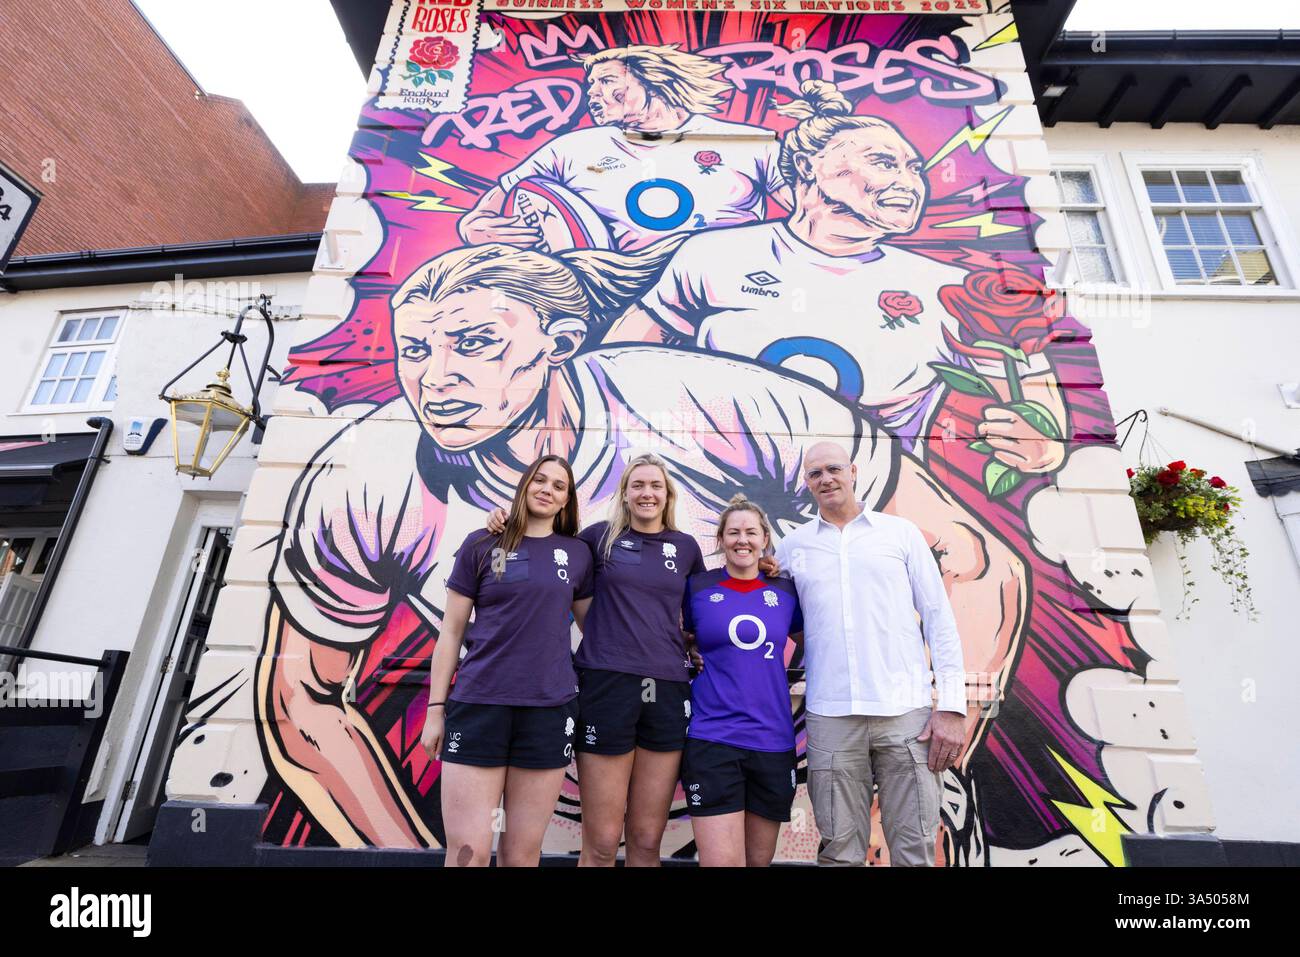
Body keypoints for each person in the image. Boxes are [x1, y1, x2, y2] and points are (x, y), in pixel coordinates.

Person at [259, 239, 1022, 850]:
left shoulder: (706, 399)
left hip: (759, 746)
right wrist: (395, 838)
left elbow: (975, 560)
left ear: (557, 340)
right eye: (414, 350)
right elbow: (303, 698)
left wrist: (953, 716)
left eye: (474, 342)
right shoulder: (362, 481)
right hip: (559, 740)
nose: (436, 376)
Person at [609, 79, 1066, 466]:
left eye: (915, 170)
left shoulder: (941, 285)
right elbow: (615, 362)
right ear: (811, 165)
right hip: (721, 509)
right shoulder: (713, 255)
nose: (909, 184)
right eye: (885, 163)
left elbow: (1032, 385)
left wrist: (1045, 443)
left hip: (879, 511)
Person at [485, 453, 707, 867]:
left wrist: (764, 572)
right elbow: (542, 541)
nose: (647, 493)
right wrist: (503, 520)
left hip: (668, 689)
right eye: (637, 485)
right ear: (624, 494)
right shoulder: (595, 539)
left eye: (655, 485)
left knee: (644, 839)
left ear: (668, 494)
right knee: (603, 842)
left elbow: (703, 615)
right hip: (606, 686)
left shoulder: (686, 548)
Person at [775, 440, 967, 867]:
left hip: (907, 716)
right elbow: (767, 614)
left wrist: (952, 706)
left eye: (833, 469)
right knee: (840, 850)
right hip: (831, 717)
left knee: (914, 849)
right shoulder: (793, 547)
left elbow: (939, 619)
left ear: (853, 472)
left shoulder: (900, 534)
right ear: (807, 484)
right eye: (815, 474)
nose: (825, 479)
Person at [419, 455, 594, 866]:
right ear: (524, 486)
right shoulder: (482, 544)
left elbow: (598, 630)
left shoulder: (577, 554)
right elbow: (451, 632)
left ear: (567, 500)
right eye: (540, 480)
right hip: (480, 705)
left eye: (559, 486)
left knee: (521, 854)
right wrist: (435, 709)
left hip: (548, 711)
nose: (547, 490)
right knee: (469, 852)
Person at [458, 44, 789, 252]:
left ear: (653, 81)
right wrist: (475, 227)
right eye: (591, 85)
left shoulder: (751, 143)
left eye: (605, 81)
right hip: (607, 298)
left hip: (720, 295)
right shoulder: (570, 150)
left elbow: (811, 218)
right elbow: (486, 210)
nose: (592, 94)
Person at [681, 494, 802, 867]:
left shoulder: (785, 591)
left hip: (773, 742)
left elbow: (818, 641)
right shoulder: (697, 588)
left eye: (751, 532)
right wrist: (689, 652)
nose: (742, 540)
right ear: (720, 540)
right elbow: (672, 635)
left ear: (765, 538)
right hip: (713, 740)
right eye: (733, 532)